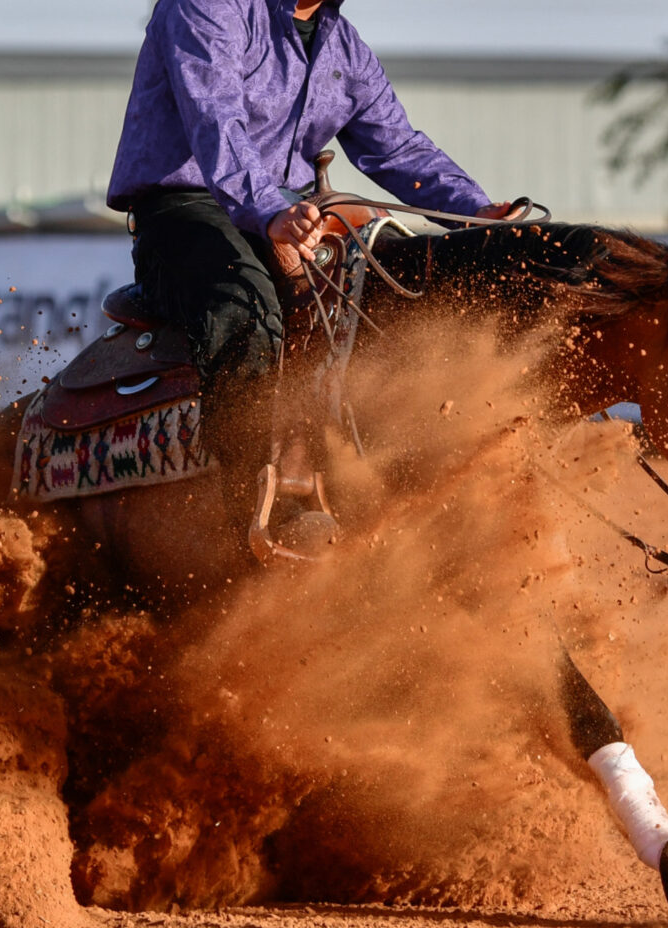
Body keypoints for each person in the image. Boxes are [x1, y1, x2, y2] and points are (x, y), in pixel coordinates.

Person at [107, 0, 511, 553]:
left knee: (389, 301)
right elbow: (215, 120)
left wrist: (478, 214)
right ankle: (253, 509)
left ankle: (398, 489)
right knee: (244, 307)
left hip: (287, 211)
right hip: (184, 208)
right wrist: (269, 209)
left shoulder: (343, 46)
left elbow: (396, 147)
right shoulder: (207, 7)